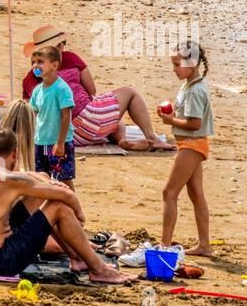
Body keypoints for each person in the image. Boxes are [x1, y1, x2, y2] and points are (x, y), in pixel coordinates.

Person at [0, 128, 136, 283]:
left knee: (36, 198)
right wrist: (80, 215)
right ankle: (99, 270)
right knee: (58, 207)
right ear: (14, 153)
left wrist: (45, 181)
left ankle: (76, 258)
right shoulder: (6, 179)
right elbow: (67, 195)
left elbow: (31, 177)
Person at [21, 25, 172, 151]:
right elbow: (91, 90)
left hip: (65, 135)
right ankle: (150, 137)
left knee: (114, 120)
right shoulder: (69, 58)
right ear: (58, 47)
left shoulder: (29, 79)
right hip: (87, 119)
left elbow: (30, 113)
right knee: (129, 93)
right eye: (63, 44)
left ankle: (122, 139)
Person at [158, 42, 215, 256]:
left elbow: (194, 123)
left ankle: (165, 244)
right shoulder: (189, 85)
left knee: (169, 192)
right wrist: (172, 114)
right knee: (196, 194)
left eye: (176, 64)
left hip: (192, 144)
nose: (174, 69)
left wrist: (170, 120)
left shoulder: (195, 90)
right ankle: (204, 245)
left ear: (191, 64)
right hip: (189, 144)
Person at [28, 46, 76, 185]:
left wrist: (60, 143)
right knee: (41, 179)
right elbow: (33, 113)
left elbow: (66, 116)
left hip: (59, 142)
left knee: (64, 180)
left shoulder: (61, 88)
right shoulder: (37, 90)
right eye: (33, 62)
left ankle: (72, 206)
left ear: (54, 65)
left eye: (40, 61)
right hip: (40, 141)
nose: (35, 65)